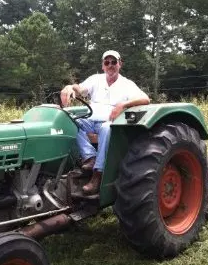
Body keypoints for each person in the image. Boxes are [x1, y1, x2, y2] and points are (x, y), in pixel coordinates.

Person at [60, 50, 150, 195]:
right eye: (107, 62)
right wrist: (70, 87)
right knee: (68, 121)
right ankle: (89, 157)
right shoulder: (96, 79)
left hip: (110, 122)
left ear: (120, 64)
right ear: (103, 66)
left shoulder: (127, 84)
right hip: (91, 119)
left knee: (106, 128)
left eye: (114, 62)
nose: (110, 65)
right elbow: (80, 89)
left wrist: (122, 105)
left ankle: (97, 175)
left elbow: (145, 99)